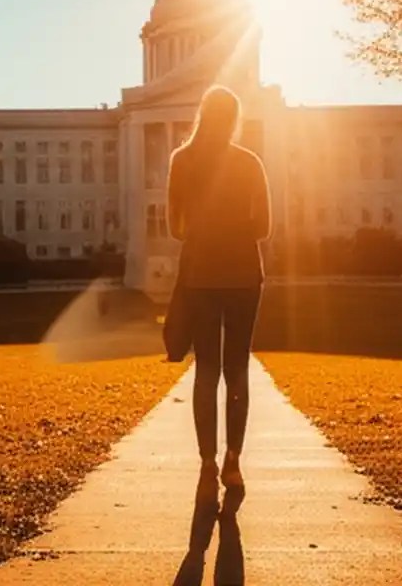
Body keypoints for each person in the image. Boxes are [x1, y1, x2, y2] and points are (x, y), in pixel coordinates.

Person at [167, 85, 271, 501]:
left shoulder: (182, 160)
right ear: (233, 120)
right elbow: (264, 227)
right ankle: (233, 460)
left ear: (201, 115)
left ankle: (207, 461)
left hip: (200, 275)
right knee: (237, 369)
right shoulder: (249, 163)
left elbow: (175, 228)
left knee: (205, 371)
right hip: (244, 274)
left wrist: (203, 232)